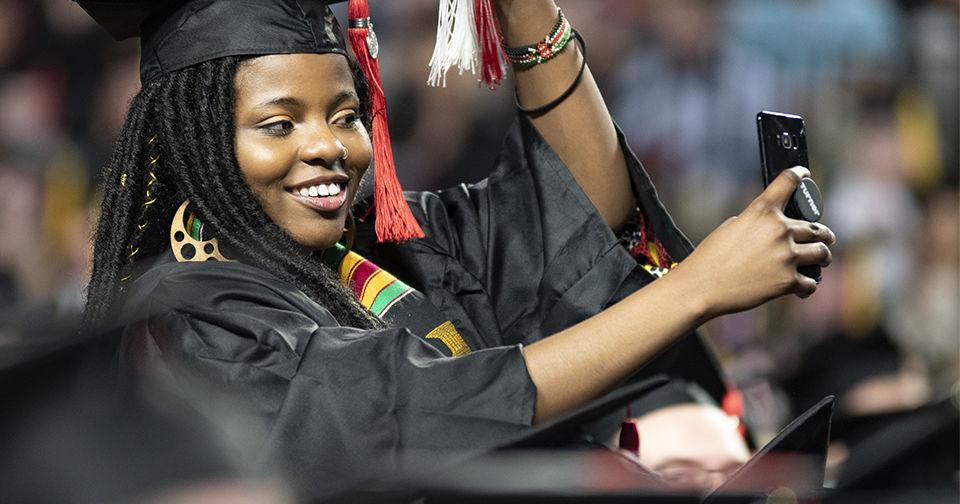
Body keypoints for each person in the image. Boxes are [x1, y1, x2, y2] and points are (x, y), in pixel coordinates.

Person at [77, 0, 835, 498]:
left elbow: (569, 213)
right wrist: (696, 287)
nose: (327, 148)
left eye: (345, 115)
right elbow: (413, 410)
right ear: (196, 143)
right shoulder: (185, 317)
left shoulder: (367, 258)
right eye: (280, 124)